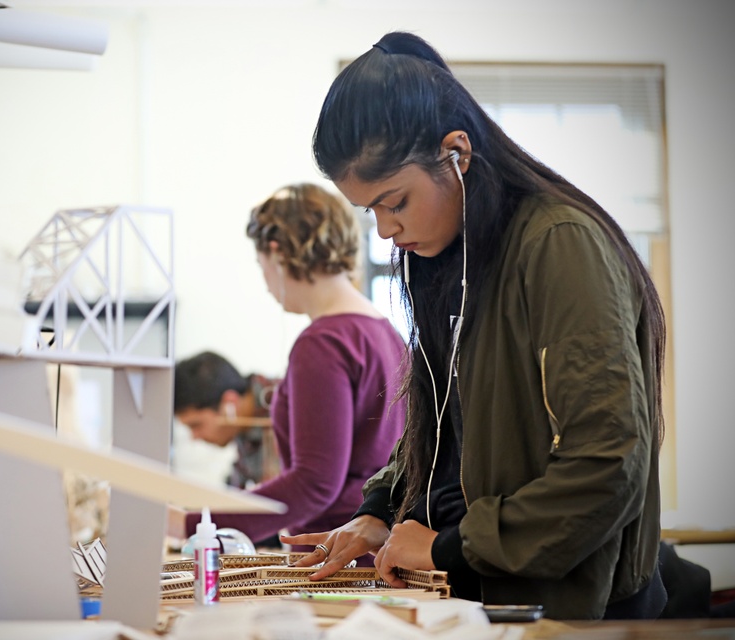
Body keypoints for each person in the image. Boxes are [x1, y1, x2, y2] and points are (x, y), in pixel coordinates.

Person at [281, 31, 668, 620]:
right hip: (480, 596)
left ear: (456, 153)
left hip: (567, 610)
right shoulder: (449, 257)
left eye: (396, 201)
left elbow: (607, 464)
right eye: (371, 212)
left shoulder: (558, 245)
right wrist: (380, 510)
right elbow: (444, 424)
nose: (385, 230)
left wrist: (449, 547)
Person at [171, 182, 409, 563]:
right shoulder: (386, 332)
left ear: (276, 253)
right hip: (369, 551)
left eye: (259, 263)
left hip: (334, 559)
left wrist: (193, 524)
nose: (264, 279)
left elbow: (314, 484)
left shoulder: (323, 342)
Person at [173, 350, 278, 490]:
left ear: (230, 402)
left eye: (195, 425)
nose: (194, 436)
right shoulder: (243, 432)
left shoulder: (288, 407)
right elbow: (234, 491)